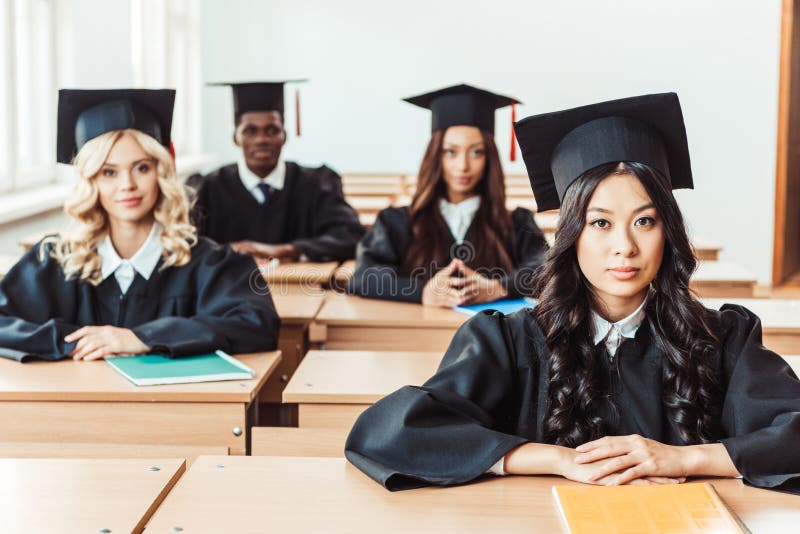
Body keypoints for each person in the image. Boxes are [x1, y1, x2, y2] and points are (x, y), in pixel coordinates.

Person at [345, 93, 800, 494]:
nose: (624, 246)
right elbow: (392, 431)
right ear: (571, 236)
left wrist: (685, 458)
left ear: (669, 232)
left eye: (644, 221)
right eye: (600, 223)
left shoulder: (723, 340)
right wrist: (561, 461)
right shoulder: (510, 342)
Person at [0, 88, 279, 362]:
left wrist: (142, 338)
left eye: (141, 168)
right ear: (91, 182)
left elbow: (257, 322)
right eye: (109, 172)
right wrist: (70, 341)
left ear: (161, 173)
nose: (127, 185)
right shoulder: (56, 259)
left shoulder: (206, 262)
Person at [348, 84, 548, 307]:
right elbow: (365, 277)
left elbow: (546, 269)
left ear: (489, 158)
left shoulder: (516, 223)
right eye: (450, 152)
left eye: (476, 152)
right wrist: (423, 292)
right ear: (436, 156)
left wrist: (499, 287)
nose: (463, 166)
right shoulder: (397, 221)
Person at [188, 81, 364, 263]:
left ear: (284, 136)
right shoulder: (208, 188)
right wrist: (227, 252)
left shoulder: (316, 184)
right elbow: (186, 243)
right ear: (236, 138)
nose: (261, 139)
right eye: (250, 131)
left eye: (272, 130)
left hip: (302, 288)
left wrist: (286, 250)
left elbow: (351, 236)